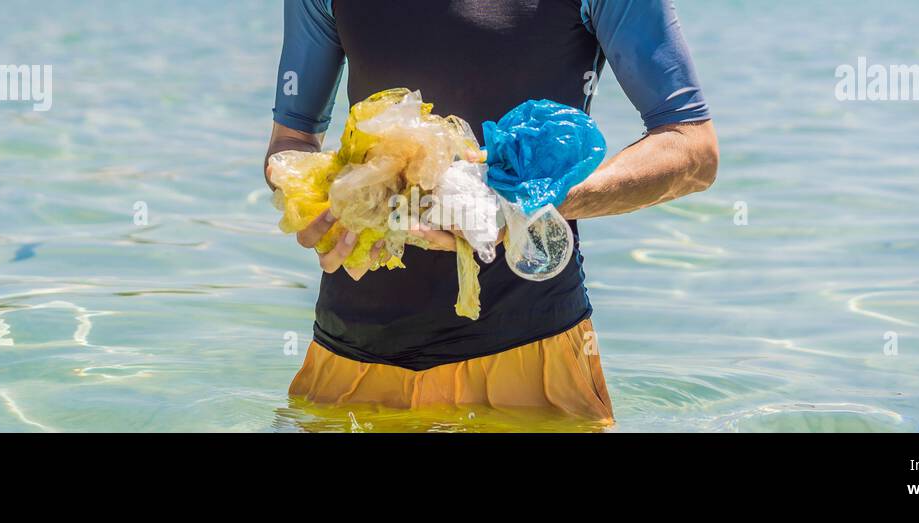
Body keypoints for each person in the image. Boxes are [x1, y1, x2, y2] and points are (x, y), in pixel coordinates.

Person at [265, 0, 718, 424]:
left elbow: (691, 148)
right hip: (348, 355)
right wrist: (313, 203)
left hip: (529, 357)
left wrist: (520, 204)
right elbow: (293, 141)